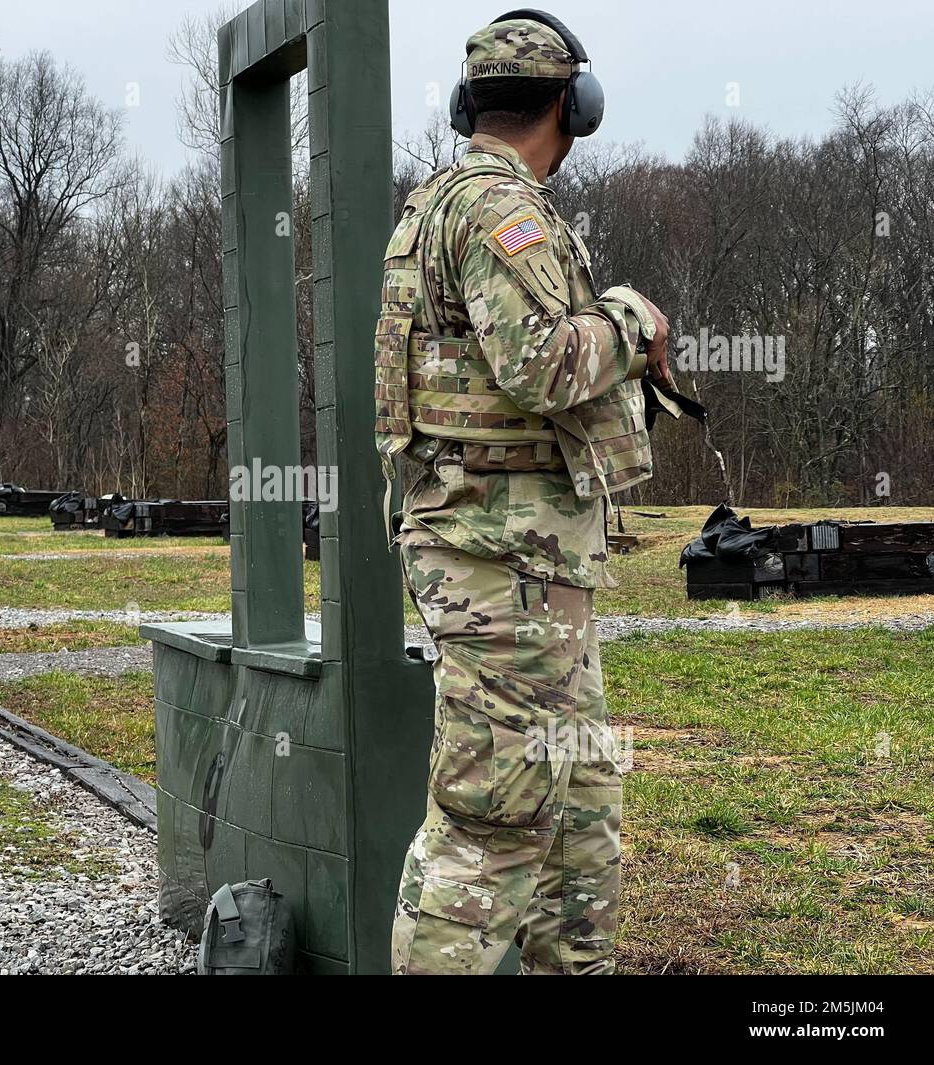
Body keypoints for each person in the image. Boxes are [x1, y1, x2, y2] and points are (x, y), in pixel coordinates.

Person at [375, 9, 673, 974]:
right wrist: (629, 318)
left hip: (530, 571)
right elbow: (542, 363)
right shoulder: (498, 212)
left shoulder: (438, 205)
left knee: (580, 810)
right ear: (569, 108)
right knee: (493, 826)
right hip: (501, 571)